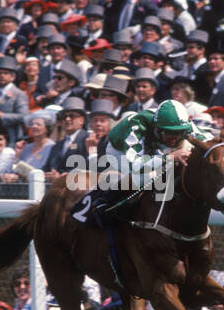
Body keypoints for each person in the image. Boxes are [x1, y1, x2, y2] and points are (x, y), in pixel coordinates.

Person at [84, 98, 208, 230]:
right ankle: (103, 203)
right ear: (157, 128)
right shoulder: (137, 125)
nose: (175, 137)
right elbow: (137, 166)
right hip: (119, 149)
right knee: (143, 177)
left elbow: (210, 142)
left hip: (152, 144)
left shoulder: (185, 125)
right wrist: (169, 157)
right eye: (170, 132)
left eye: (179, 132)